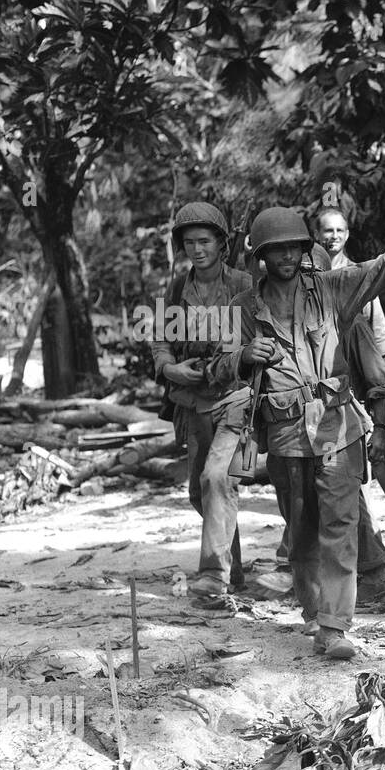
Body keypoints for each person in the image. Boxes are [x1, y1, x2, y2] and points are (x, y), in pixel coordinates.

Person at [213, 207, 385, 659]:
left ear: (304, 249)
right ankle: (314, 610)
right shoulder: (242, 310)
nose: (287, 257)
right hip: (284, 435)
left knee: (340, 524)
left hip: (337, 427)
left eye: (294, 248)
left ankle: (334, 626)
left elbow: (376, 270)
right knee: (301, 531)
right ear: (260, 256)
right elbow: (217, 370)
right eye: (276, 250)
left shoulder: (331, 289)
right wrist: (242, 357)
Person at [149, 202, 253, 597]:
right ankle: (234, 568)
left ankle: (213, 575)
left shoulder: (244, 284)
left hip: (234, 397)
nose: (197, 249)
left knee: (217, 478)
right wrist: (169, 369)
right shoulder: (177, 288)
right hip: (192, 402)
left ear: (222, 244)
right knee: (201, 491)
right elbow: (160, 340)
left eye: (204, 241)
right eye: (189, 242)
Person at [316, 207, 385, 384]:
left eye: (340, 230)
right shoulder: (308, 277)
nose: (335, 235)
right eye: (329, 230)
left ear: (347, 235)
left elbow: (377, 324)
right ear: (317, 234)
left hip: (354, 365)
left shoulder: (359, 275)